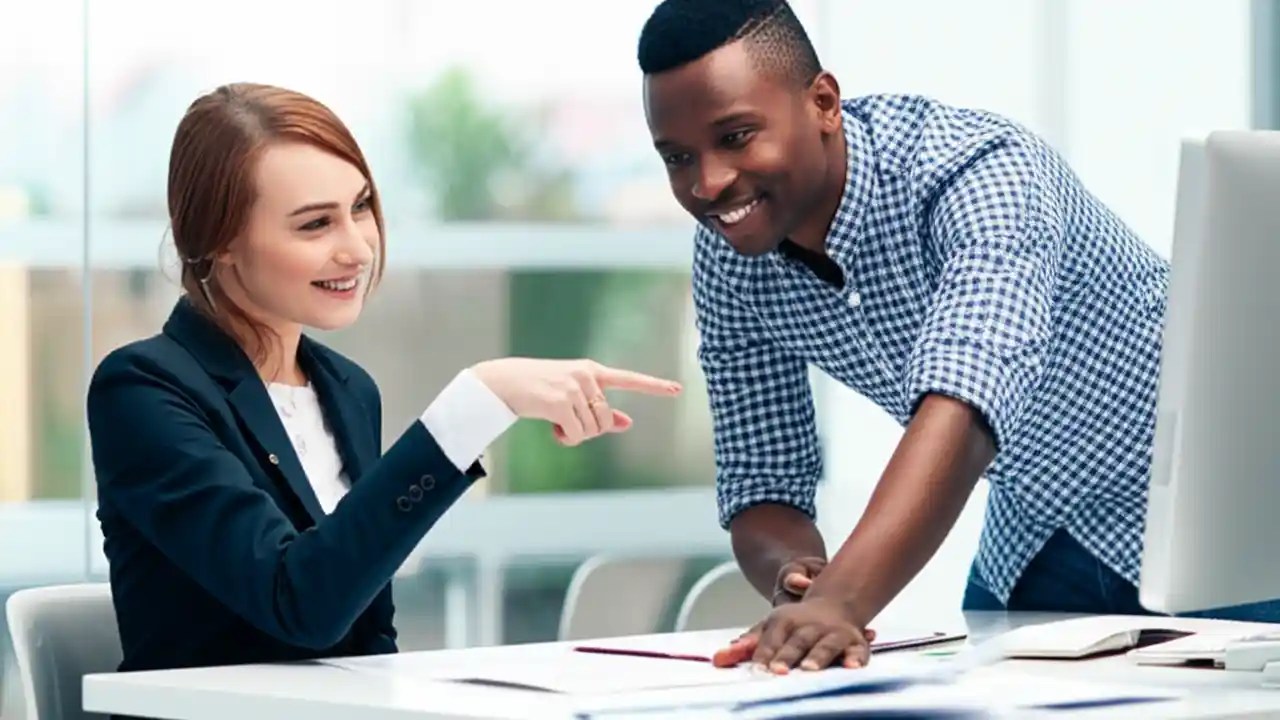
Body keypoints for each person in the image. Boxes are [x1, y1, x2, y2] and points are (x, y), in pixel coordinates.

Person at [636, 0, 1280, 674]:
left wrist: (843, 600)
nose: (708, 183)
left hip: (1215, 533)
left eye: (736, 136)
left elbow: (966, 401)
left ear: (824, 102)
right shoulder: (730, 259)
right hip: (1038, 538)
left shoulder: (979, 171)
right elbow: (762, 477)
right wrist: (797, 574)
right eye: (678, 157)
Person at [86, 82, 682, 676]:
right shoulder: (143, 390)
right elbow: (300, 603)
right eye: (315, 224)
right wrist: (477, 404)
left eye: (362, 206)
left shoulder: (346, 388)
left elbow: (368, 633)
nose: (358, 248)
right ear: (218, 243)